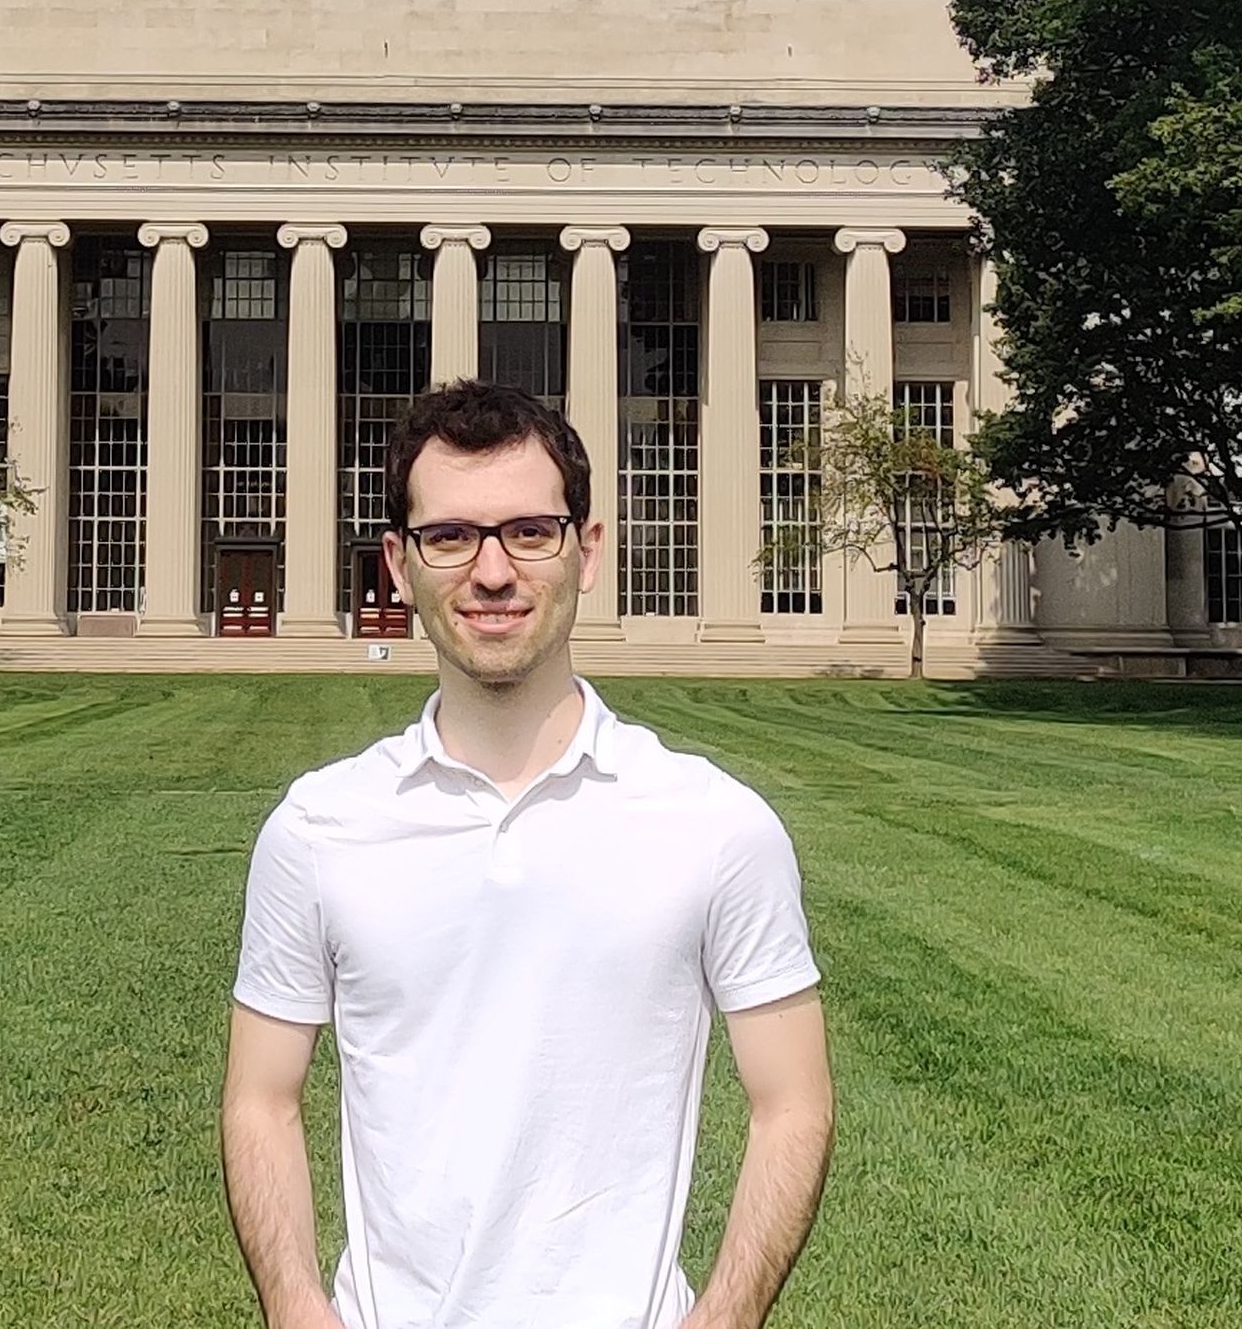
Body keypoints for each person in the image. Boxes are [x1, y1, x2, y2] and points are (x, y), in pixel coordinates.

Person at [220, 380, 834, 1329]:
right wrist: (297, 1305)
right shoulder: (318, 827)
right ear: (398, 562)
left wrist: (727, 1315)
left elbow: (793, 1104)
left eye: (529, 532)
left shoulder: (714, 823)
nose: (493, 571)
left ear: (587, 551)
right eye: (451, 536)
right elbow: (262, 1099)